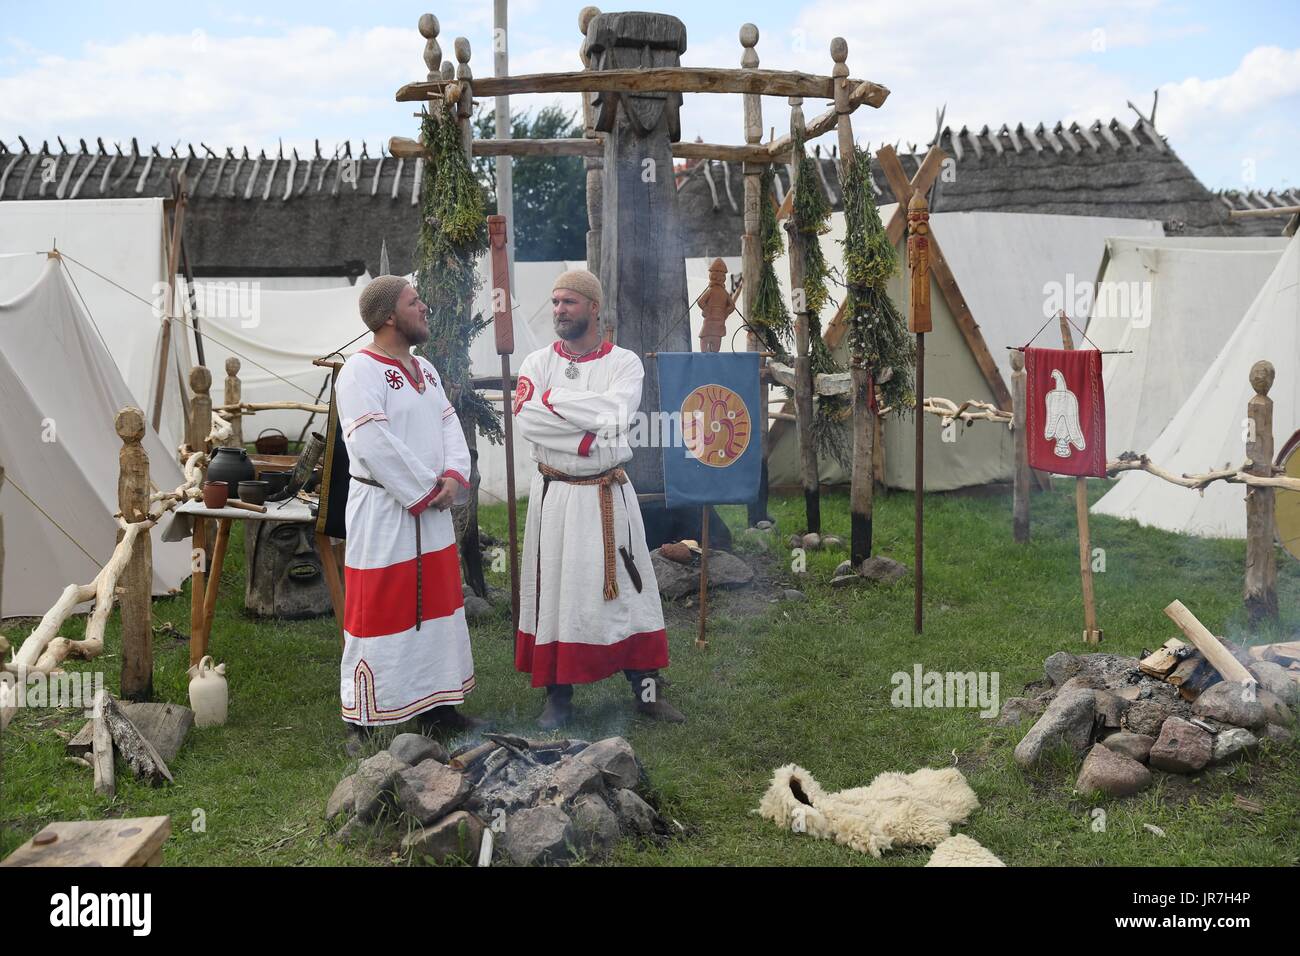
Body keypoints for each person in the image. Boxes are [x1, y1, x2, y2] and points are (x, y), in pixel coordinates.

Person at [513, 269, 685, 728]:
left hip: (608, 494)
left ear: (593, 307)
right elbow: (529, 422)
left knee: (629, 590)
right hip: (557, 496)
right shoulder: (535, 364)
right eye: (554, 302)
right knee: (557, 590)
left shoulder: (624, 363)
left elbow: (616, 415)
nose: (558, 311)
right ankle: (558, 697)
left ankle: (646, 693)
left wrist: (554, 401)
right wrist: (584, 426)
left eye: (568, 302)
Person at [333, 275, 477, 748]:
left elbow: (448, 423)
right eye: (415, 302)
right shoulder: (359, 371)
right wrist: (423, 489)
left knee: (437, 609)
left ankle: (438, 708)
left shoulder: (427, 370)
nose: (425, 308)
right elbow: (371, 443)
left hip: (431, 510)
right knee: (379, 607)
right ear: (390, 317)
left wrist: (454, 476)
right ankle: (365, 718)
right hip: (385, 510)